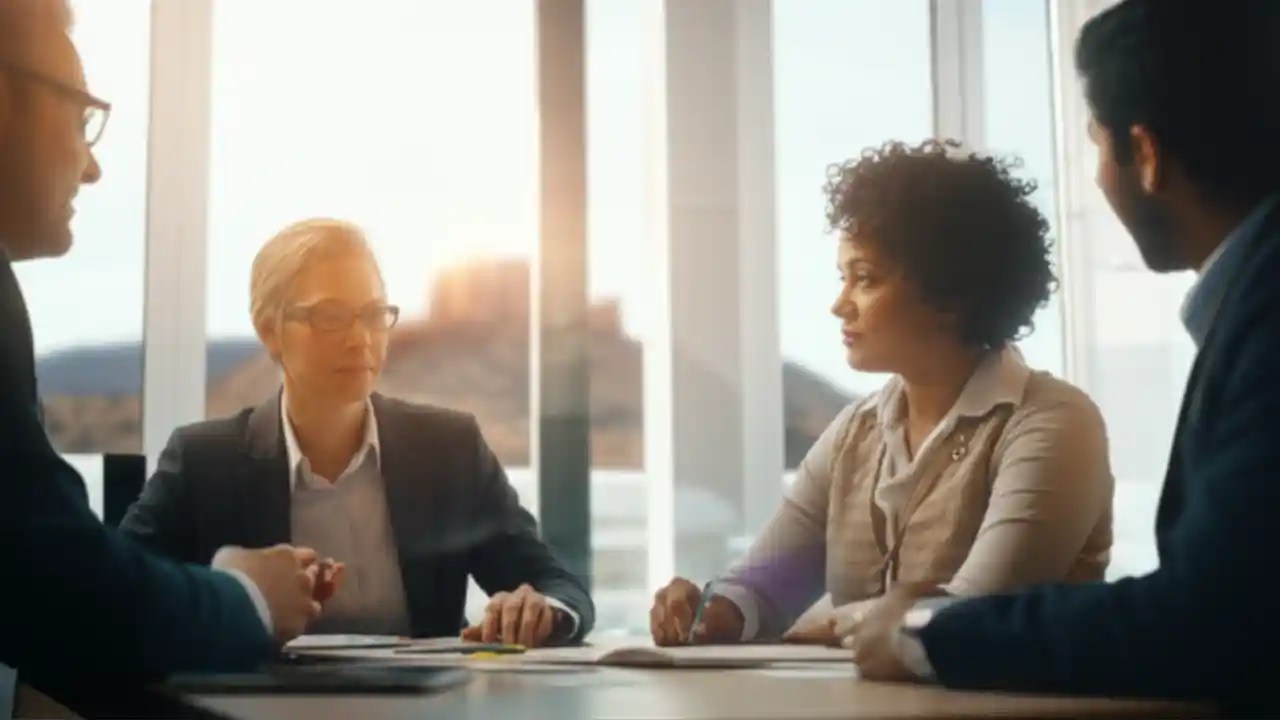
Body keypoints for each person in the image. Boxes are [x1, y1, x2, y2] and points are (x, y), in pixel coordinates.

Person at [847, 1, 1280, 714]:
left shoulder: (1268, 315)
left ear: (1145, 154)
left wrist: (927, 631)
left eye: (1096, 145)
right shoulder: (1252, 298)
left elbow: (1215, 616)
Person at [650, 139, 1114, 647]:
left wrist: (835, 623)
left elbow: (974, 614)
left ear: (950, 296)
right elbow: (765, 587)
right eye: (842, 278)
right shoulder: (857, 431)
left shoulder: (1054, 423)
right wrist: (717, 611)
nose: (839, 305)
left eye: (865, 279)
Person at [0, 0, 332, 691]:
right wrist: (247, 595)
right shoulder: (205, 453)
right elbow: (61, 589)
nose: (91, 169)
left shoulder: (446, 445)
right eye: (81, 115)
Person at [120, 218, 595, 647]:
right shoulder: (203, 462)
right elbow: (117, 598)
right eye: (331, 316)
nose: (360, 339)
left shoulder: (447, 447)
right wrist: (230, 588)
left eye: (373, 314)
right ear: (270, 331)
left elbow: (558, 585)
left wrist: (540, 611)